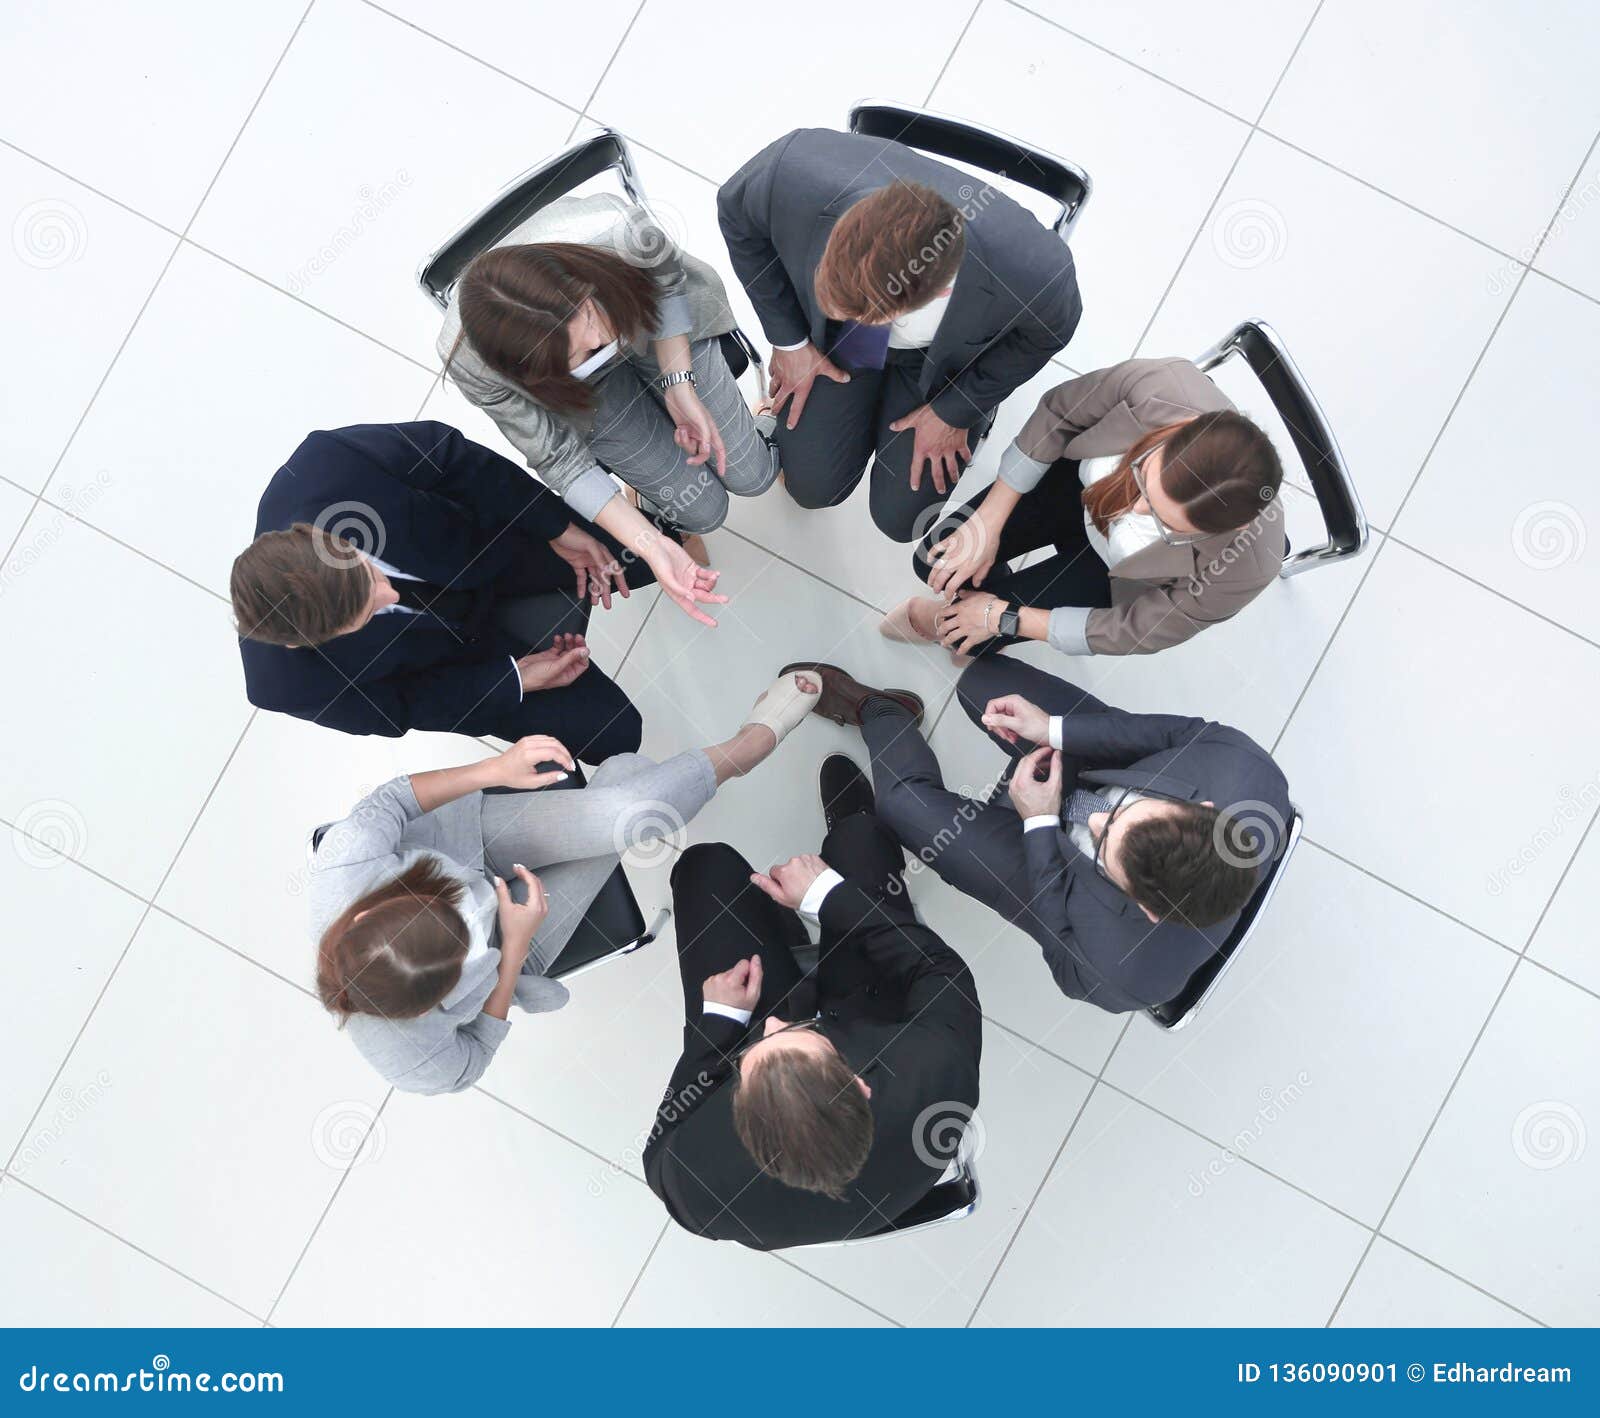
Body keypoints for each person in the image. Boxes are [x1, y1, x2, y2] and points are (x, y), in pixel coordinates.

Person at [308, 672, 822, 1095]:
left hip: (466, 844)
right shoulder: (408, 1059)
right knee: (631, 790)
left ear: (365, 913)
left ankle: (751, 742)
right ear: (431, 1000)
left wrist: (495, 768)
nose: (474, 907)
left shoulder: (345, 865)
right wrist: (511, 951)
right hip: (512, 947)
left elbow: (396, 801)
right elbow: (473, 1057)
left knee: (632, 809)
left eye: (445, 906)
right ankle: (634, 787)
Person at [642, 681, 982, 1250]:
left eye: (754, 1056)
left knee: (705, 868)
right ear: (859, 1083)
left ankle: (782, 923)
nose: (772, 1024)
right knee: (861, 846)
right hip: (875, 1016)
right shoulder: (935, 1072)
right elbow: (942, 972)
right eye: (795, 1038)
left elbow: (661, 1140)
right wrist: (828, 896)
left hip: (749, 1016)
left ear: (739, 1116)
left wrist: (720, 1027)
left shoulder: (695, 1188)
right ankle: (850, 832)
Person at [837, 655, 1291, 1014]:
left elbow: (1054, 932)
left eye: (1106, 842)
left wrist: (1038, 823)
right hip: (1100, 768)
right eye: (1123, 814)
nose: (1097, 821)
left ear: (1150, 910)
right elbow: (1169, 733)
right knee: (983, 683)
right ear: (1202, 809)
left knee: (900, 807)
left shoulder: (1115, 973)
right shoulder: (1248, 773)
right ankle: (1028, 777)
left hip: (1054, 879)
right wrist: (1051, 729)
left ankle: (881, 712)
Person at [233, 420, 677, 765]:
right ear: (302, 643)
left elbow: (455, 460)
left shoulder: (324, 465)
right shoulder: (284, 685)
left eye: (372, 578)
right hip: (462, 661)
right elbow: (405, 707)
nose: (390, 597)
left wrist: (557, 528)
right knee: (617, 734)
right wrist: (514, 680)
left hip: (489, 547)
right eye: (367, 614)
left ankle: (629, 500)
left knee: (644, 555)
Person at [717, 127, 1082, 542]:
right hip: (843, 342)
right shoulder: (790, 170)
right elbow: (735, 216)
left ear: (941, 291)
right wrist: (792, 343)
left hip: (945, 362)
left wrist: (957, 409)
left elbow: (1050, 333)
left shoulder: (1035, 274)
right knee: (811, 489)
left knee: (904, 521)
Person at [440, 190, 779, 625]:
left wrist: (678, 386)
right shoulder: (476, 368)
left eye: (586, 319)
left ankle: (751, 425)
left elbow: (666, 282)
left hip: (648, 317)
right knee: (703, 511)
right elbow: (559, 461)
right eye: (578, 356)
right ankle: (644, 495)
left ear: (579, 282)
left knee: (753, 476)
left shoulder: (620, 233)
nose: (603, 345)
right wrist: (652, 547)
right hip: (583, 398)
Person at [882, 357, 1285, 659]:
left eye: (1162, 521)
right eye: (1144, 478)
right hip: (1072, 488)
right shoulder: (1161, 387)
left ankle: (984, 606)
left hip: (1117, 573)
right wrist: (990, 519)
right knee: (933, 559)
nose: (1131, 510)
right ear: (1176, 433)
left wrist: (1002, 617)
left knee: (973, 638)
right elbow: (1059, 414)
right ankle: (994, 582)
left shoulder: (1245, 567)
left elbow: (1135, 631)